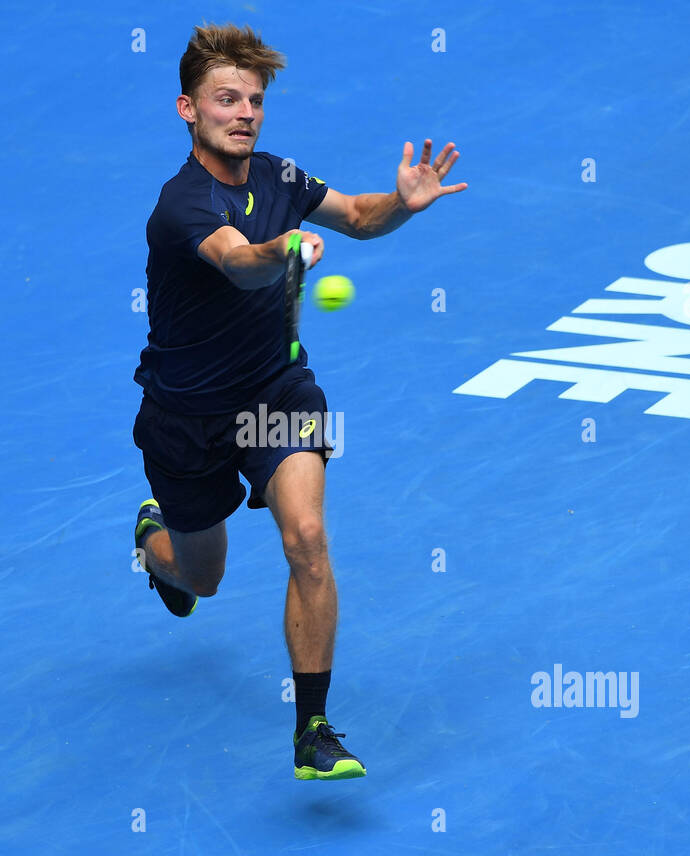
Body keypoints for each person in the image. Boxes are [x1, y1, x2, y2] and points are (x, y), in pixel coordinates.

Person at [132, 22, 466, 780]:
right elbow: (240, 263)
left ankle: (313, 728)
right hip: (185, 417)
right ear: (189, 109)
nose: (244, 112)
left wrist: (404, 204)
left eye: (253, 100)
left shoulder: (279, 178)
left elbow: (355, 217)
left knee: (307, 536)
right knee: (200, 578)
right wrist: (282, 252)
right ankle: (154, 543)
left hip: (275, 390)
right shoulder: (180, 206)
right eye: (226, 100)